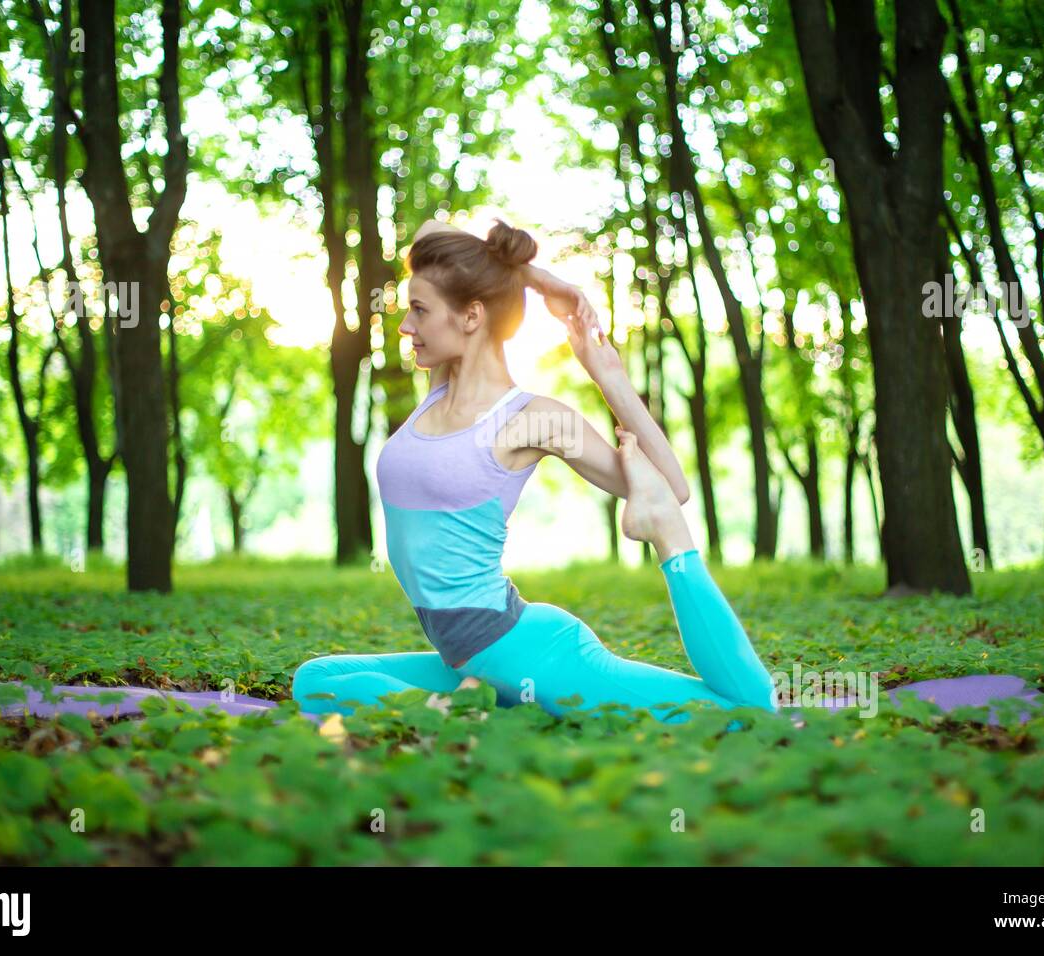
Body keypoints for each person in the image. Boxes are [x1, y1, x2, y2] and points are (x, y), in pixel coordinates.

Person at [291, 217, 779, 726]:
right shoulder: (437, 387)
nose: (405, 326)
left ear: (471, 316)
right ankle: (470, 704)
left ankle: (465, 707)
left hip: (535, 655)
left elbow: (669, 487)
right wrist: (535, 277)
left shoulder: (530, 419)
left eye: (418, 310)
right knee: (317, 681)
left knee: (743, 714)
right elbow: (432, 235)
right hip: (470, 659)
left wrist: (605, 372)